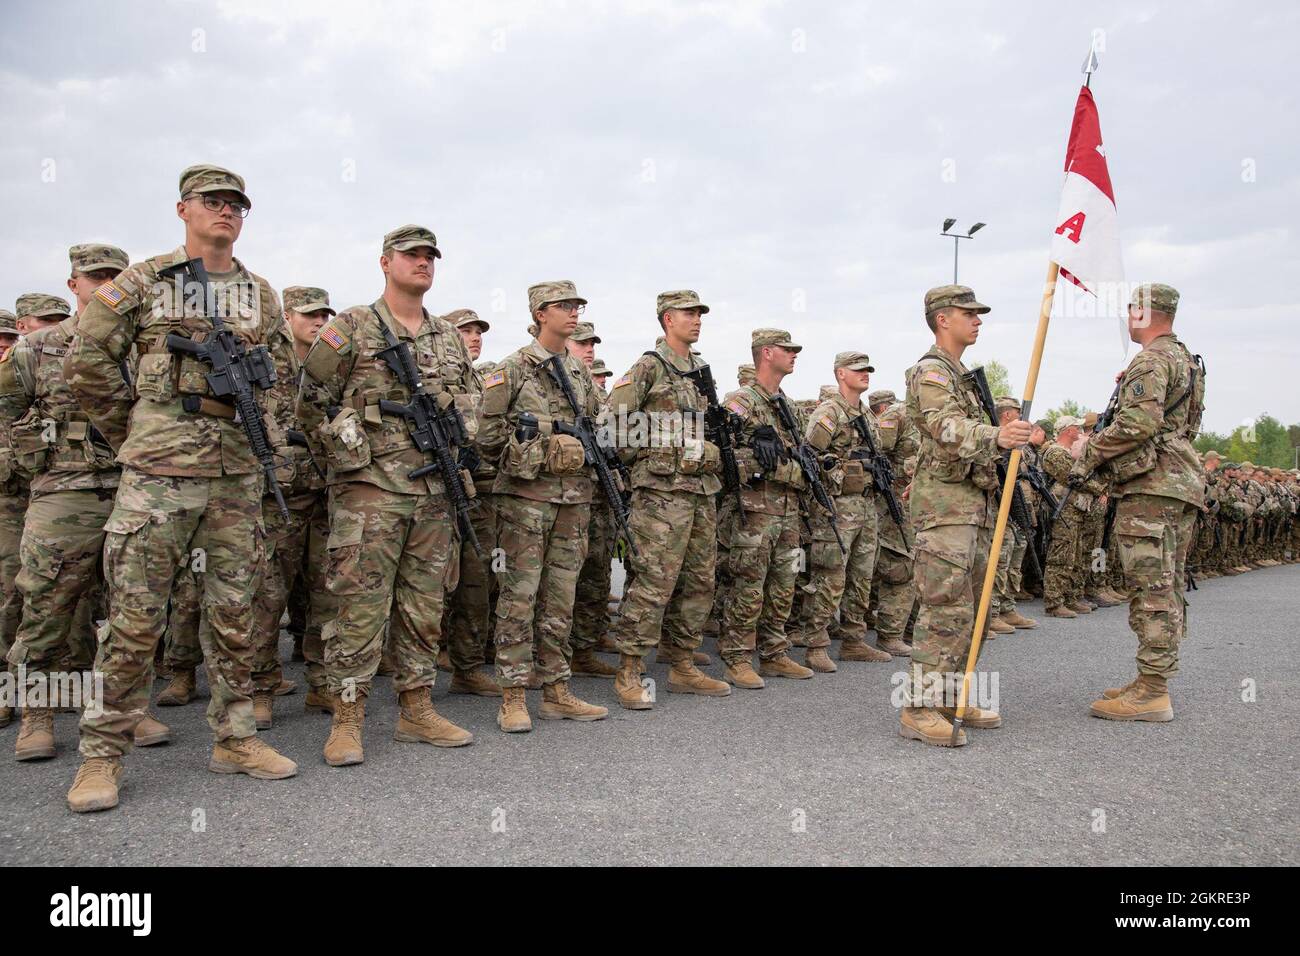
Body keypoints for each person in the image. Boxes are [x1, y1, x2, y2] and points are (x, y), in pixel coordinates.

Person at [64, 164, 298, 812]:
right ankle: (101, 756)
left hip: (235, 475)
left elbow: (276, 377)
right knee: (136, 619)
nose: (226, 213)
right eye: (212, 202)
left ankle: (234, 737)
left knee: (236, 615)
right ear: (182, 209)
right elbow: (88, 362)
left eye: (236, 205)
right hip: (160, 476)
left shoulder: (260, 293)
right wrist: (140, 430)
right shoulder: (144, 281)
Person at [297, 225, 478, 765]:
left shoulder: (447, 336)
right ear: (384, 262)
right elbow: (311, 401)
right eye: (411, 255)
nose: (422, 264)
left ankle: (416, 708)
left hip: (433, 490)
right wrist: (351, 456)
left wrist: (456, 427)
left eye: (429, 257)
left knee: (425, 603)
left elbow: (471, 399)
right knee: (359, 605)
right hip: (372, 491)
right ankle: (347, 717)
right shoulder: (352, 325)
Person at [2, 249, 173, 761]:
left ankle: (126, 707)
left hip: (134, 486)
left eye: (112, 279)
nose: (102, 287)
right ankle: (37, 713)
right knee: (46, 600)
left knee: (131, 607)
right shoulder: (37, 347)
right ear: (72, 284)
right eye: (92, 278)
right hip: (65, 491)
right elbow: (5, 415)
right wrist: (26, 460)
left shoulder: (146, 348)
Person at [899, 285, 1031, 747]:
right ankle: (918, 706)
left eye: (978, 314)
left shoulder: (962, 375)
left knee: (972, 609)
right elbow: (945, 428)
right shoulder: (931, 372)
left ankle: (951, 696)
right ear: (942, 320)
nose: (977, 321)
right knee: (943, 608)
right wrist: (999, 435)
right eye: (967, 314)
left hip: (972, 505)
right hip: (945, 509)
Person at [477, 281, 610, 732]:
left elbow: (599, 429)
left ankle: (556, 689)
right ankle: (513, 695)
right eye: (564, 306)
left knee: (561, 598)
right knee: (518, 596)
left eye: (577, 306)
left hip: (574, 501)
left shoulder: (576, 372)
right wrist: (539, 449)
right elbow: (486, 437)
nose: (574, 313)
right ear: (539, 313)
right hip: (525, 502)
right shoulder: (513, 368)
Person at [1076, 284, 1204, 722]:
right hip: (1179, 484)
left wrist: (1088, 451)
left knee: (1151, 587)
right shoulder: (1186, 359)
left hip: (1152, 487)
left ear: (1145, 312)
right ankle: (1151, 678)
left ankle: (1153, 691)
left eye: (1131, 309)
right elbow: (1183, 422)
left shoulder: (1151, 360)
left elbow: (1138, 423)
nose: (1127, 316)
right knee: (1165, 582)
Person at [608, 290, 730, 709]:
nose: (697, 320)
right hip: (660, 495)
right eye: (688, 313)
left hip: (700, 493)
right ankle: (628, 669)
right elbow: (613, 429)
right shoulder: (649, 367)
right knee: (653, 582)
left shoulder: (701, 372)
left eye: (700, 313)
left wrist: (711, 448)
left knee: (700, 581)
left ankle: (681, 664)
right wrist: (674, 445)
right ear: (666, 319)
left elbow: (708, 430)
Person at [247, 286, 336, 728]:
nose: (319, 322)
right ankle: (261, 687)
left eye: (324, 315)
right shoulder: (264, 357)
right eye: (310, 315)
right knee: (267, 595)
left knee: (327, 593)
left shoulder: (331, 363)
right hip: (275, 495)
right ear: (287, 315)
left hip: (325, 492)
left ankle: (322, 683)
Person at [716, 329, 817, 688]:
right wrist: (759, 459)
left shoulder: (788, 407)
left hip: (789, 511)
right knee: (748, 584)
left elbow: (804, 455)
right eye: (787, 350)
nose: (794, 355)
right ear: (767, 353)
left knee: (784, 583)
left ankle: (774, 652)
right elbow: (722, 457)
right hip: (754, 510)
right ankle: (738, 657)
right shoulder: (740, 401)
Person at [799, 352, 893, 670]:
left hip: (866, 504)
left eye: (868, 369)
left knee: (861, 576)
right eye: (858, 370)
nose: (865, 374)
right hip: (837, 506)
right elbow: (809, 457)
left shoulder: (865, 415)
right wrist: (847, 469)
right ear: (841, 374)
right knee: (830, 577)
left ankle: (853, 640)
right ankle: (816, 645)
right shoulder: (830, 412)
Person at [441, 308, 502, 698]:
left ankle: (467, 664)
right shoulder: (432, 376)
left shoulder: (483, 383)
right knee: (432, 581)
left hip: (478, 493)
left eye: (478, 331)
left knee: (479, 577)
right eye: (466, 331)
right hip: (438, 490)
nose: (475, 337)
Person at [868, 388, 919, 655]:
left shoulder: (930, 418)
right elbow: (875, 453)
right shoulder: (896, 415)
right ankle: (889, 634)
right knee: (899, 567)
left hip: (922, 504)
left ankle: (912, 629)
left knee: (919, 568)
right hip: (895, 504)